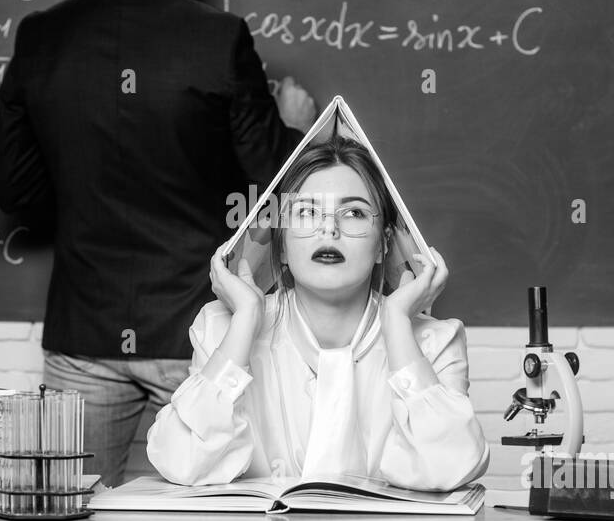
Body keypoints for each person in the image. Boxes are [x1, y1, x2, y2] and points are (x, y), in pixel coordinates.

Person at [0, 0, 316, 487]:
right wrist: (290, 123)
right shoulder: (218, 38)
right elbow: (270, 180)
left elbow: (16, 194)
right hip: (195, 333)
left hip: (83, 333)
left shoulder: (42, 36)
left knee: (65, 515)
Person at [146, 130, 490, 491]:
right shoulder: (222, 329)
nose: (329, 228)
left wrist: (397, 323)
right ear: (280, 247)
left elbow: (450, 469)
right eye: (307, 212)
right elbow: (182, 463)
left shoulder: (434, 341)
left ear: (381, 246)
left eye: (354, 212)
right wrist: (246, 318)